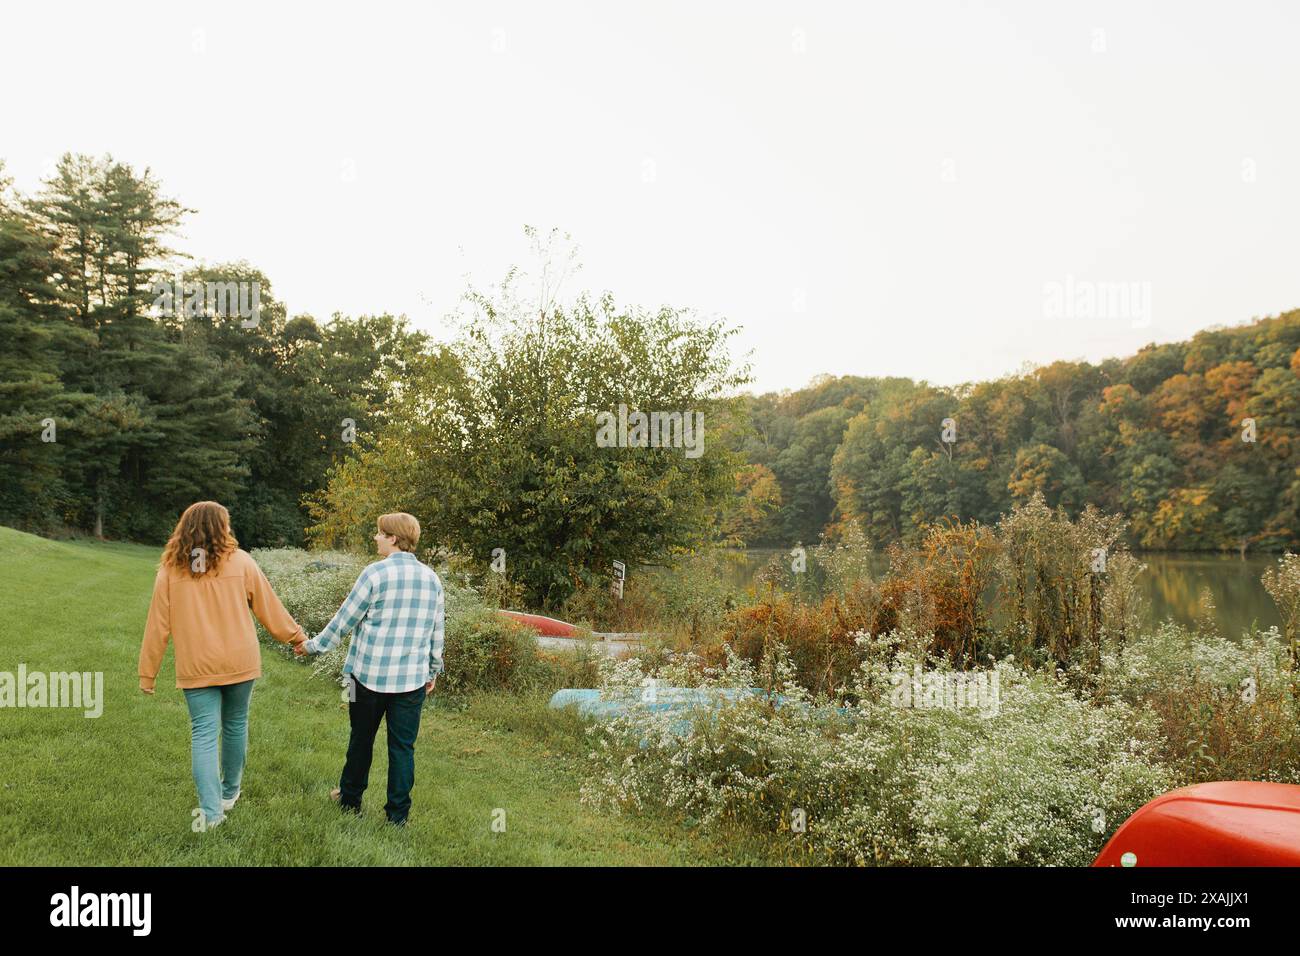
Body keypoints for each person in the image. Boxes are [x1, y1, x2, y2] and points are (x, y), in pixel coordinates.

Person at [139, 501, 307, 830]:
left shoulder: (171, 570)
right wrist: (296, 637)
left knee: (203, 734)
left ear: (185, 528)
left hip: (197, 664)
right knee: (235, 725)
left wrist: (148, 673)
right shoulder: (242, 562)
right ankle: (229, 793)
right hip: (240, 661)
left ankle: (212, 813)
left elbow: (157, 626)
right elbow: (268, 607)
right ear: (222, 527)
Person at [295, 512, 444, 826]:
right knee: (403, 747)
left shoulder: (374, 574)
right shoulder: (432, 579)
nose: (375, 538)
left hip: (365, 679)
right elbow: (436, 631)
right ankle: (397, 817)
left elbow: (343, 622)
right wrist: (432, 671)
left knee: (360, 738)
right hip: (412, 682)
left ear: (393, 538)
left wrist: (311, 645)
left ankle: (350, 800)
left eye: (379, 533)